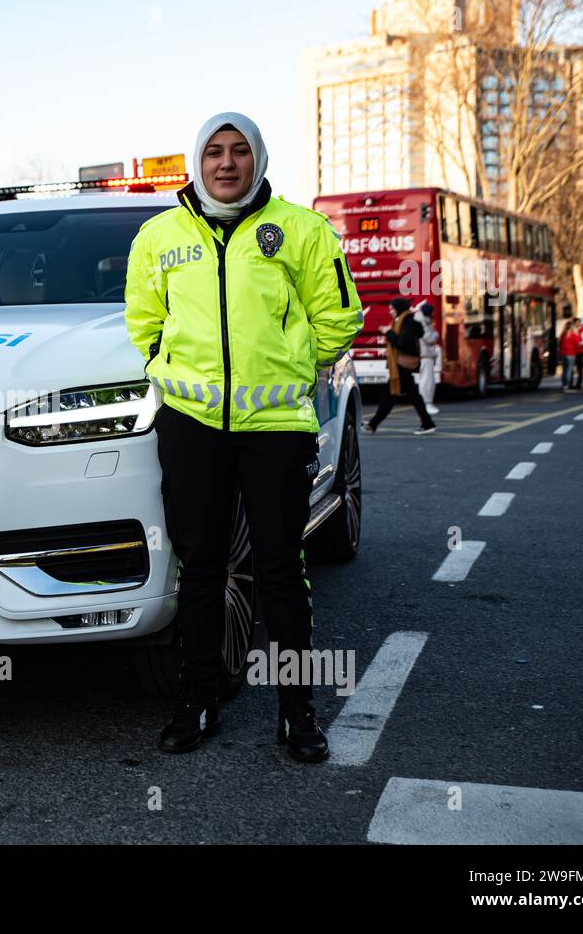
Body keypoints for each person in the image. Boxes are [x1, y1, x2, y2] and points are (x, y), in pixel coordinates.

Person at [124, 112, 363, 761]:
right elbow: (143, 321)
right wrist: (171, 373)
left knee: (281, 570)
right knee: (200, 569)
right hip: (192, 428)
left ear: (256, 159)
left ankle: (297, 712)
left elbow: (340, 316)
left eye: (238, 152)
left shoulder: (301, 232)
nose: (225, 164)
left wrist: (288, 366)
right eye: (213, 153)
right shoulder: (159, 236)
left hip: (276, 429)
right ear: (197, 162)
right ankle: (198, 700)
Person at [364, 298, 437, 435]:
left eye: (392, 309)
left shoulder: (407, 323)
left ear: (399, 309)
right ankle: (427, 423)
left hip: (402, 365)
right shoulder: (403, 322)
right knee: (407, 395)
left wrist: (388, 332)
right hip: (401, 365)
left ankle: (373, 424)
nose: (390, 311)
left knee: (391, 395)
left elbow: (402, 343)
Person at [415, 303, 440, 415]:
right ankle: (426, 403)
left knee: (425, 379)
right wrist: (436, 334)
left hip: (425, 354)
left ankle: (425, 403)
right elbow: (429, 338)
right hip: (425, 354)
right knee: (427, 380)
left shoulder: (422, 319)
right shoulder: (423, 321)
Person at [559, 317, 580, 391]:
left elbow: (560, 343)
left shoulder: (563, 334)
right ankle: (567, 385)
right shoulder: (574, 334)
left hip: (563, 353)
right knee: (569, 370)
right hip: (571, 354)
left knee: (564, 370)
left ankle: (563, 384)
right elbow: (577, 343)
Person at [572, 318, 583, 390]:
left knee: (579, 369)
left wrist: (579, 343)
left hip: (579, 352)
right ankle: (570, 384)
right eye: (575, 322)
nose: (577, 324)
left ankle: (578, 384)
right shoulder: (572, 330)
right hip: (572, 352)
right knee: (571, 369)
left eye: (578, 322)